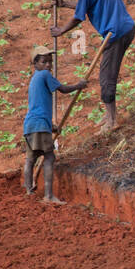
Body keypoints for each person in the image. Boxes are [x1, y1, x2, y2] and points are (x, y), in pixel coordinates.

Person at [49, 0, 135, 131]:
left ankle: (112, 121)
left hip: (115, 34)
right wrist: (64, 3)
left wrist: (61, 31)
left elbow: (79, 17)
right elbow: (86, 3)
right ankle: (109, 115)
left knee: (106, 78)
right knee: (107, 75)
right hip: (127, 27)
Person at [23, 45, 85, 204]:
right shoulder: (44, 75)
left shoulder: (34, 79)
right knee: (49, 157)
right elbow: (63, 89)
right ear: (35, 63)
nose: (48, 65)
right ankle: (49, 196)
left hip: (30, 125)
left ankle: (29, 191)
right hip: (40, 124)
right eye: (44, 62)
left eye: (50, 62)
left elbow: (38, 106)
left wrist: (50, 126)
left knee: (30, 160)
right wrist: (79, 85)